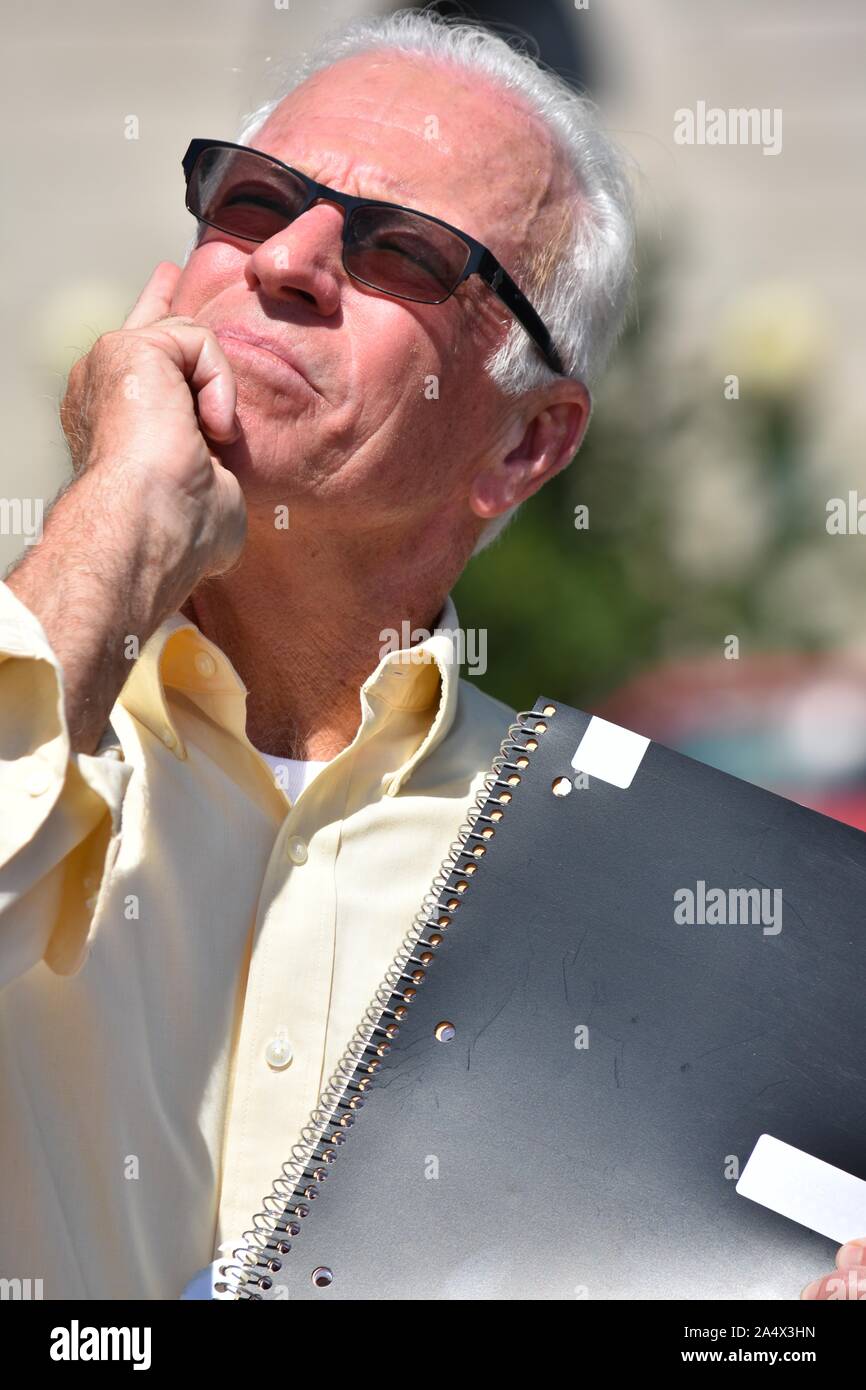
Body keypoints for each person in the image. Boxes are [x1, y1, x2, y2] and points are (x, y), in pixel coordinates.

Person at [0, 8, 859, 1301]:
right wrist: (115, 515)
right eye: (250, 199)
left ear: (524, 443)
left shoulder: (626, 869)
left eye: (400, 248)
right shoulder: (43, 700)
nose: (286, 259)